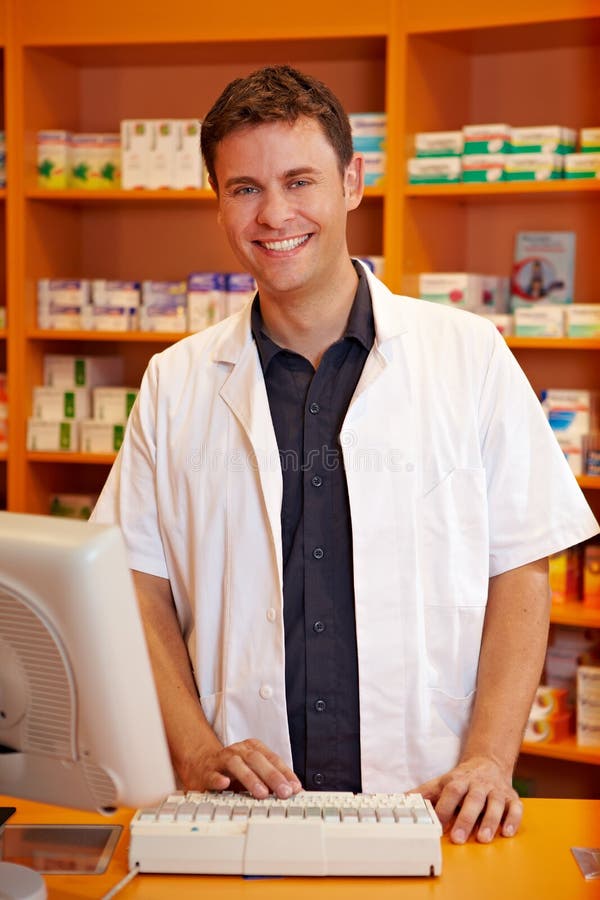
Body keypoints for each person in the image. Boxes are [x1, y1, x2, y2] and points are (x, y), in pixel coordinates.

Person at [91, 65, 599, 844]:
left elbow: (522, 565)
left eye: (300, 181)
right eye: (245, 189)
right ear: (217, 202)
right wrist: (195, 752)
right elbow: (137, 582)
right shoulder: (177, 382)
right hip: (243, 812)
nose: (275, 214)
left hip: (432, 803)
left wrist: (492, 760)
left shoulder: (468, 355)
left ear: (353, 182)